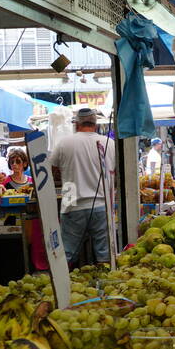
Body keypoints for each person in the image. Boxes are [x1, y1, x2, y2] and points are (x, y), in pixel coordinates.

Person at [48, 107, 114, 266]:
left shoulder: (64, 143)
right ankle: (105, 279)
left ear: (76, 124)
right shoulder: (109, 143)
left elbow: (51, 171)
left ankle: (66, 280)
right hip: (101, 203)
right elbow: (115, 174)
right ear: (95, 124)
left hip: (72, 201)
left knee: (66, 256)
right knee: (104, 255)